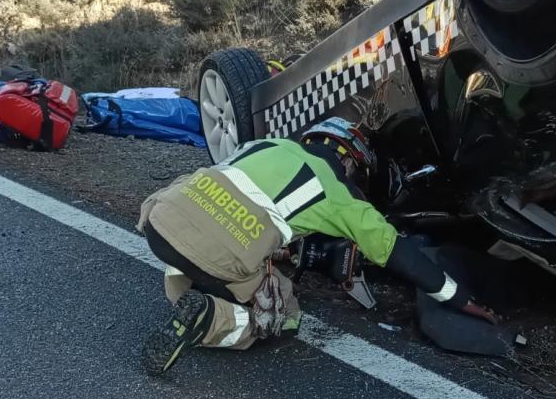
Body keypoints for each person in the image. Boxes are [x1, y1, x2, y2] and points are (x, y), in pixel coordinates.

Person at [138, 117, 494, 374]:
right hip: (217, 254)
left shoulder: (268, 145)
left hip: (160, 223)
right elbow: (401, 255)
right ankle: (209, 319)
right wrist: (459, 297)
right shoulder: (337, 194)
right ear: (351, 163)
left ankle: (190, 295)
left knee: (199, 247)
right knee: (284, 315)